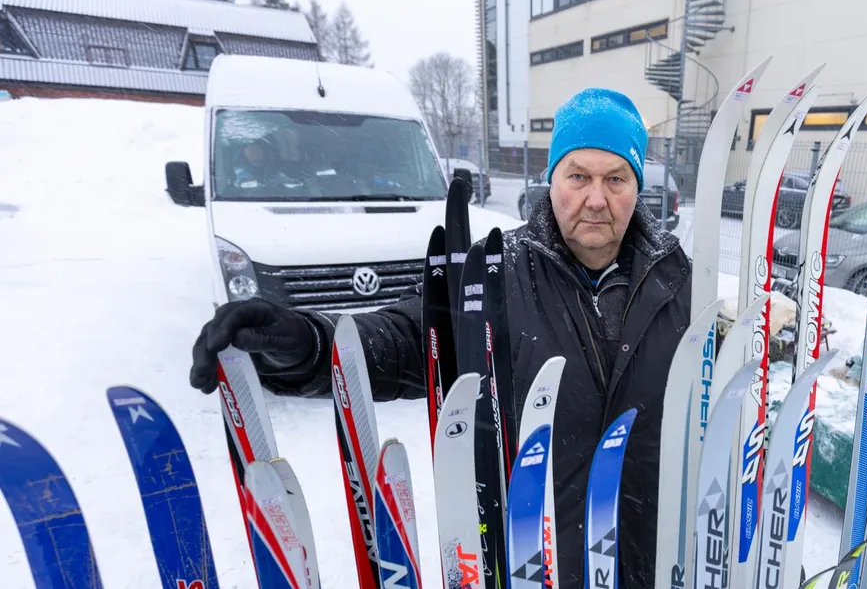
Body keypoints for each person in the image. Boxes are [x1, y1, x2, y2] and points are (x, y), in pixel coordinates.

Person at [187, 88, 690, 589]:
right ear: (552, 178)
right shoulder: (494, 272)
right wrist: (310, 343)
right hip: (533, 566)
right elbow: (408, 339)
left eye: (616, 179)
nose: (596, 198)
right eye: (578, 176)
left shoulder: (680, 281)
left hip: (652, 561)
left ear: (637, 184)